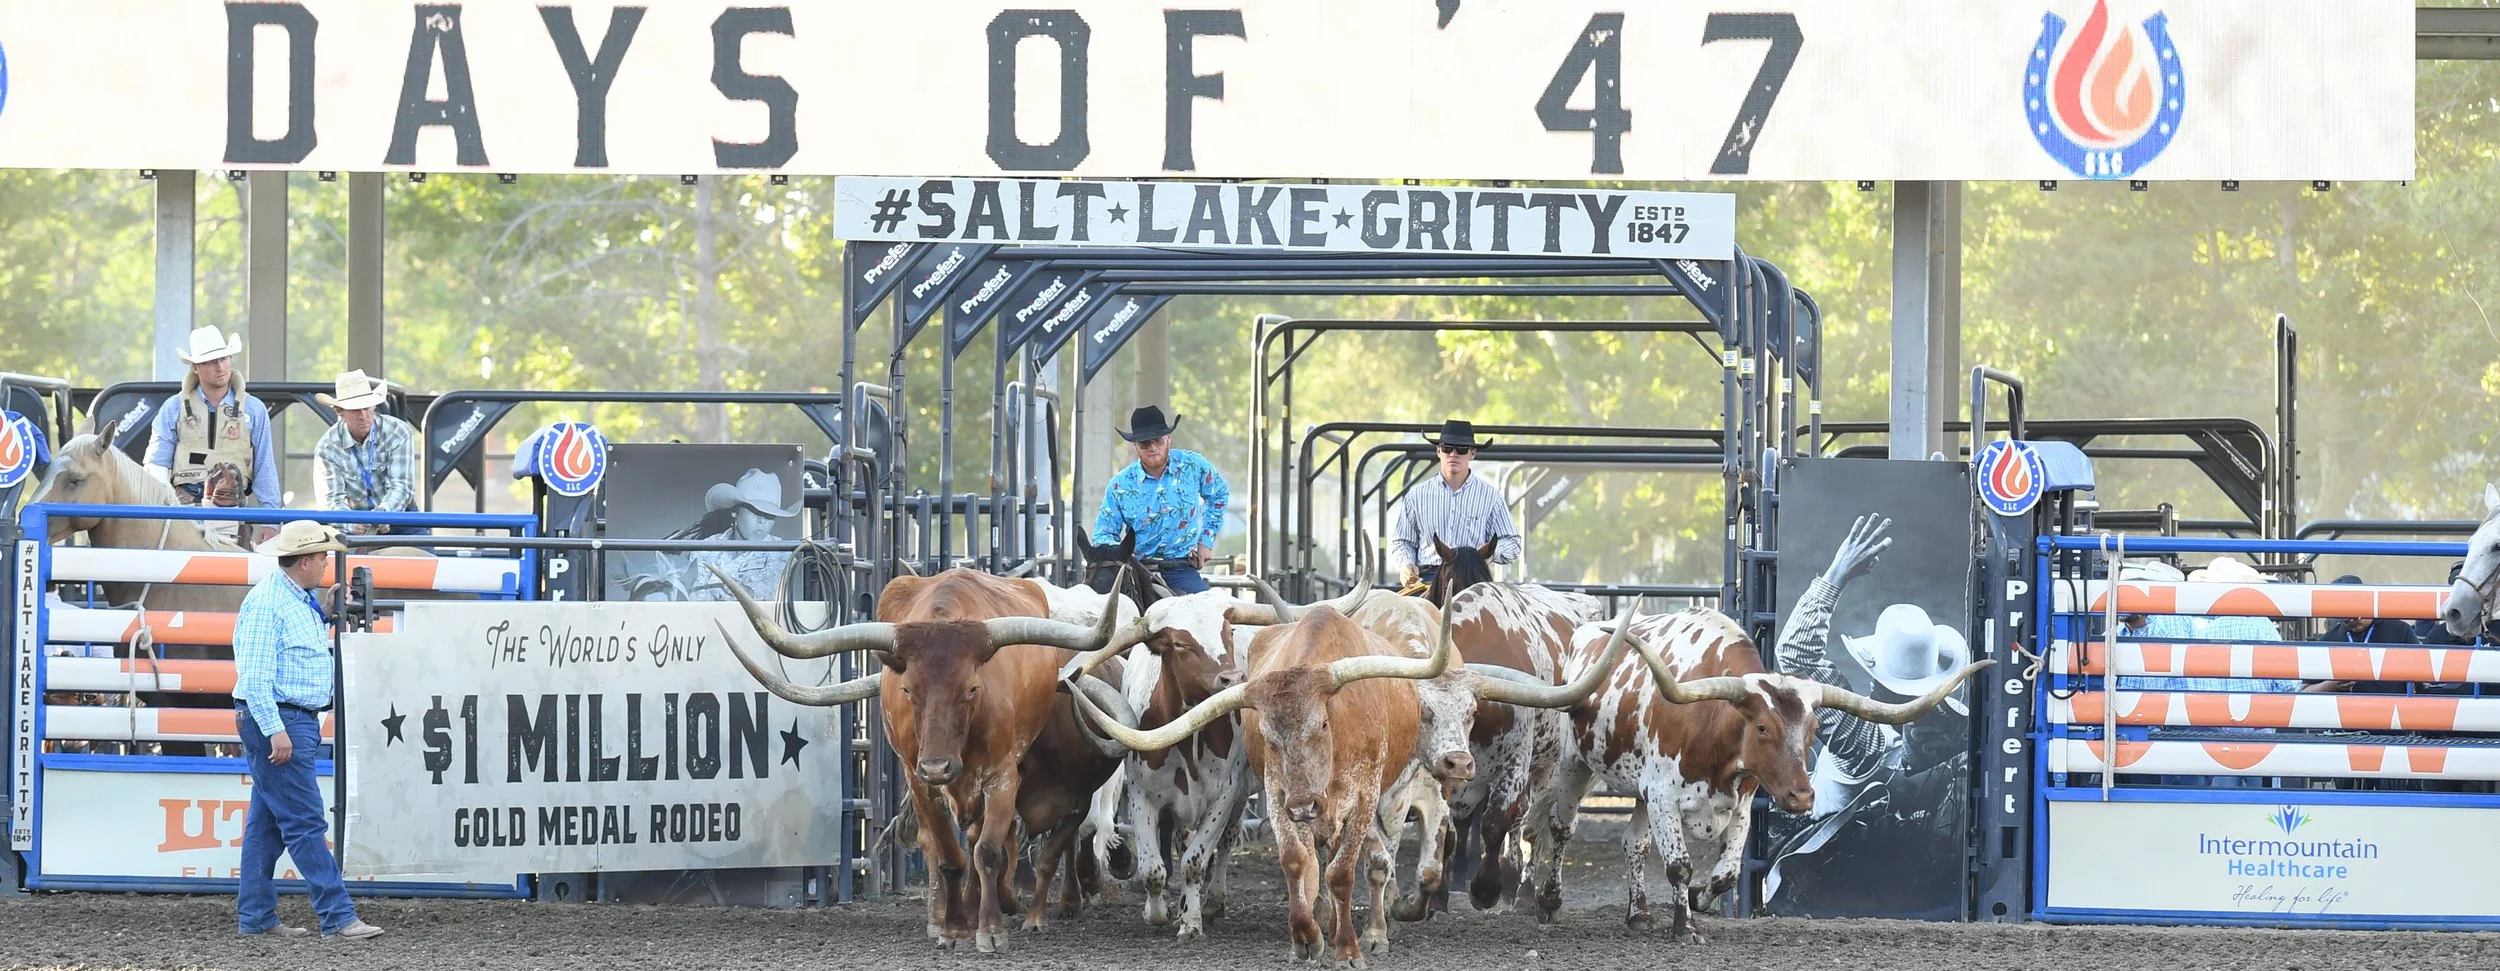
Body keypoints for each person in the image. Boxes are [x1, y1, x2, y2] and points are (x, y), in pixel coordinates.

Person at [230, 521, 383, 941]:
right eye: (321, 558)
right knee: (304, 822)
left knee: (268, 826)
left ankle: (257, 916)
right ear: (304, 561)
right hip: (282, 721)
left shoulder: (292, 599)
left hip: (289, 720)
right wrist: (275, 729)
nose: (325, 564)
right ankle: (337, 915)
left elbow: (289, 660)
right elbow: (255, 677)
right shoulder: (268, 604)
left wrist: (327, 614)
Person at [1091, 405, 1228, 595]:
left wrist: (1206, 540)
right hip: (1137, 571)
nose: (1152, 447)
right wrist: (1119, 555)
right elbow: (1103, 534)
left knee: (1209, 617)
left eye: (1157, 440)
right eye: (1145, 443)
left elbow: (1219, 494)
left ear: (1168, 439)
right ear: (1136, 446)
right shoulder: (1119, 485)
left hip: (1182, 569)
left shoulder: (1193, 466)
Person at [145, 326, 281, 513]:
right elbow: (157, 464)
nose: (220, 367)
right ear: (196, 367)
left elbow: (265, 466)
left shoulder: (254, 409)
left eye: (224, 359)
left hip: (233, 509)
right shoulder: (173, 408)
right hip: (184, 511)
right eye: (210, 362)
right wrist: (165, 510)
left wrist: (271, 519)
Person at [1388, 419, 1521, 589]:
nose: (1453, 454)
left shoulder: (1490, 496)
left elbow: (1512, 542)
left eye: (1462, 449)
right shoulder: (1416, 496)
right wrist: (1406, 564)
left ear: (1472, 453)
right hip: (1428, 579)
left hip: (1473, 580)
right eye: (1447, 448)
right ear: (1438, 451)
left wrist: (1490, 552)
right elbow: (1402, 541)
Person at [312, 370, 426, 537]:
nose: (363, 416)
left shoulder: (398, 432)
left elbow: (402, 487)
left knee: (426, 561)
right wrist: (352, 524)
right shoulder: (327, 448)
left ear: (374, 406)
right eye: (355, 410)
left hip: (401, 518)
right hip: (353, 522)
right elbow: (330, 502)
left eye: (366, 407)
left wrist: (384, 514)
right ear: (339, 410)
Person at [682, 467, 799, 600]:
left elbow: (759, 593)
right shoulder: (705, 549)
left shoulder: (782, 554)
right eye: (755, 511)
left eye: (770, 515)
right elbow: (691, 597)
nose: (762, 520)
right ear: (735, 512)